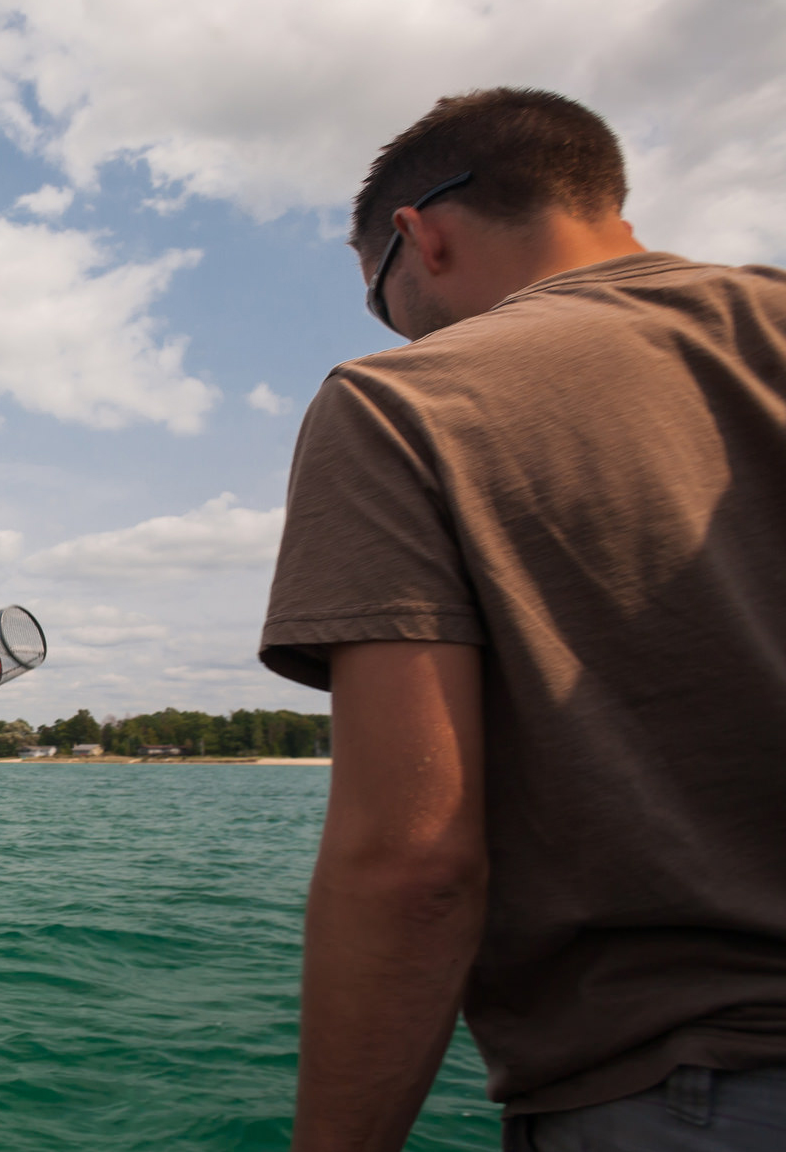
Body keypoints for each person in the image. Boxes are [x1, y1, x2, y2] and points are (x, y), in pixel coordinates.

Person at [260, 88, 786, 1149]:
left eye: (380, 297)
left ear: (418, 235)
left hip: (686, 1083)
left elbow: (412, 863)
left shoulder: (401, 405)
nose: (392, 326)